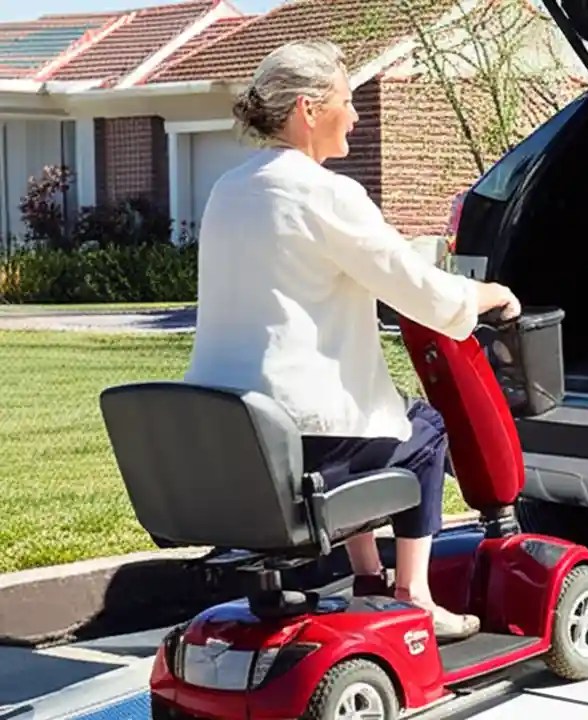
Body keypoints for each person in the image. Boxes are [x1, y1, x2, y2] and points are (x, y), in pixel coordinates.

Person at [183, 39, 520, 641]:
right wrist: (488, 294)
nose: (357, 115)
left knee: (373, 420)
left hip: (230, 433)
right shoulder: (327, 193)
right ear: (309, 109)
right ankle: (414, 595)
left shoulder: (227, 189)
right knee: (422, 432)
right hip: (303, 439)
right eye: (347, 100)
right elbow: (421, 289)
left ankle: (368, 578)